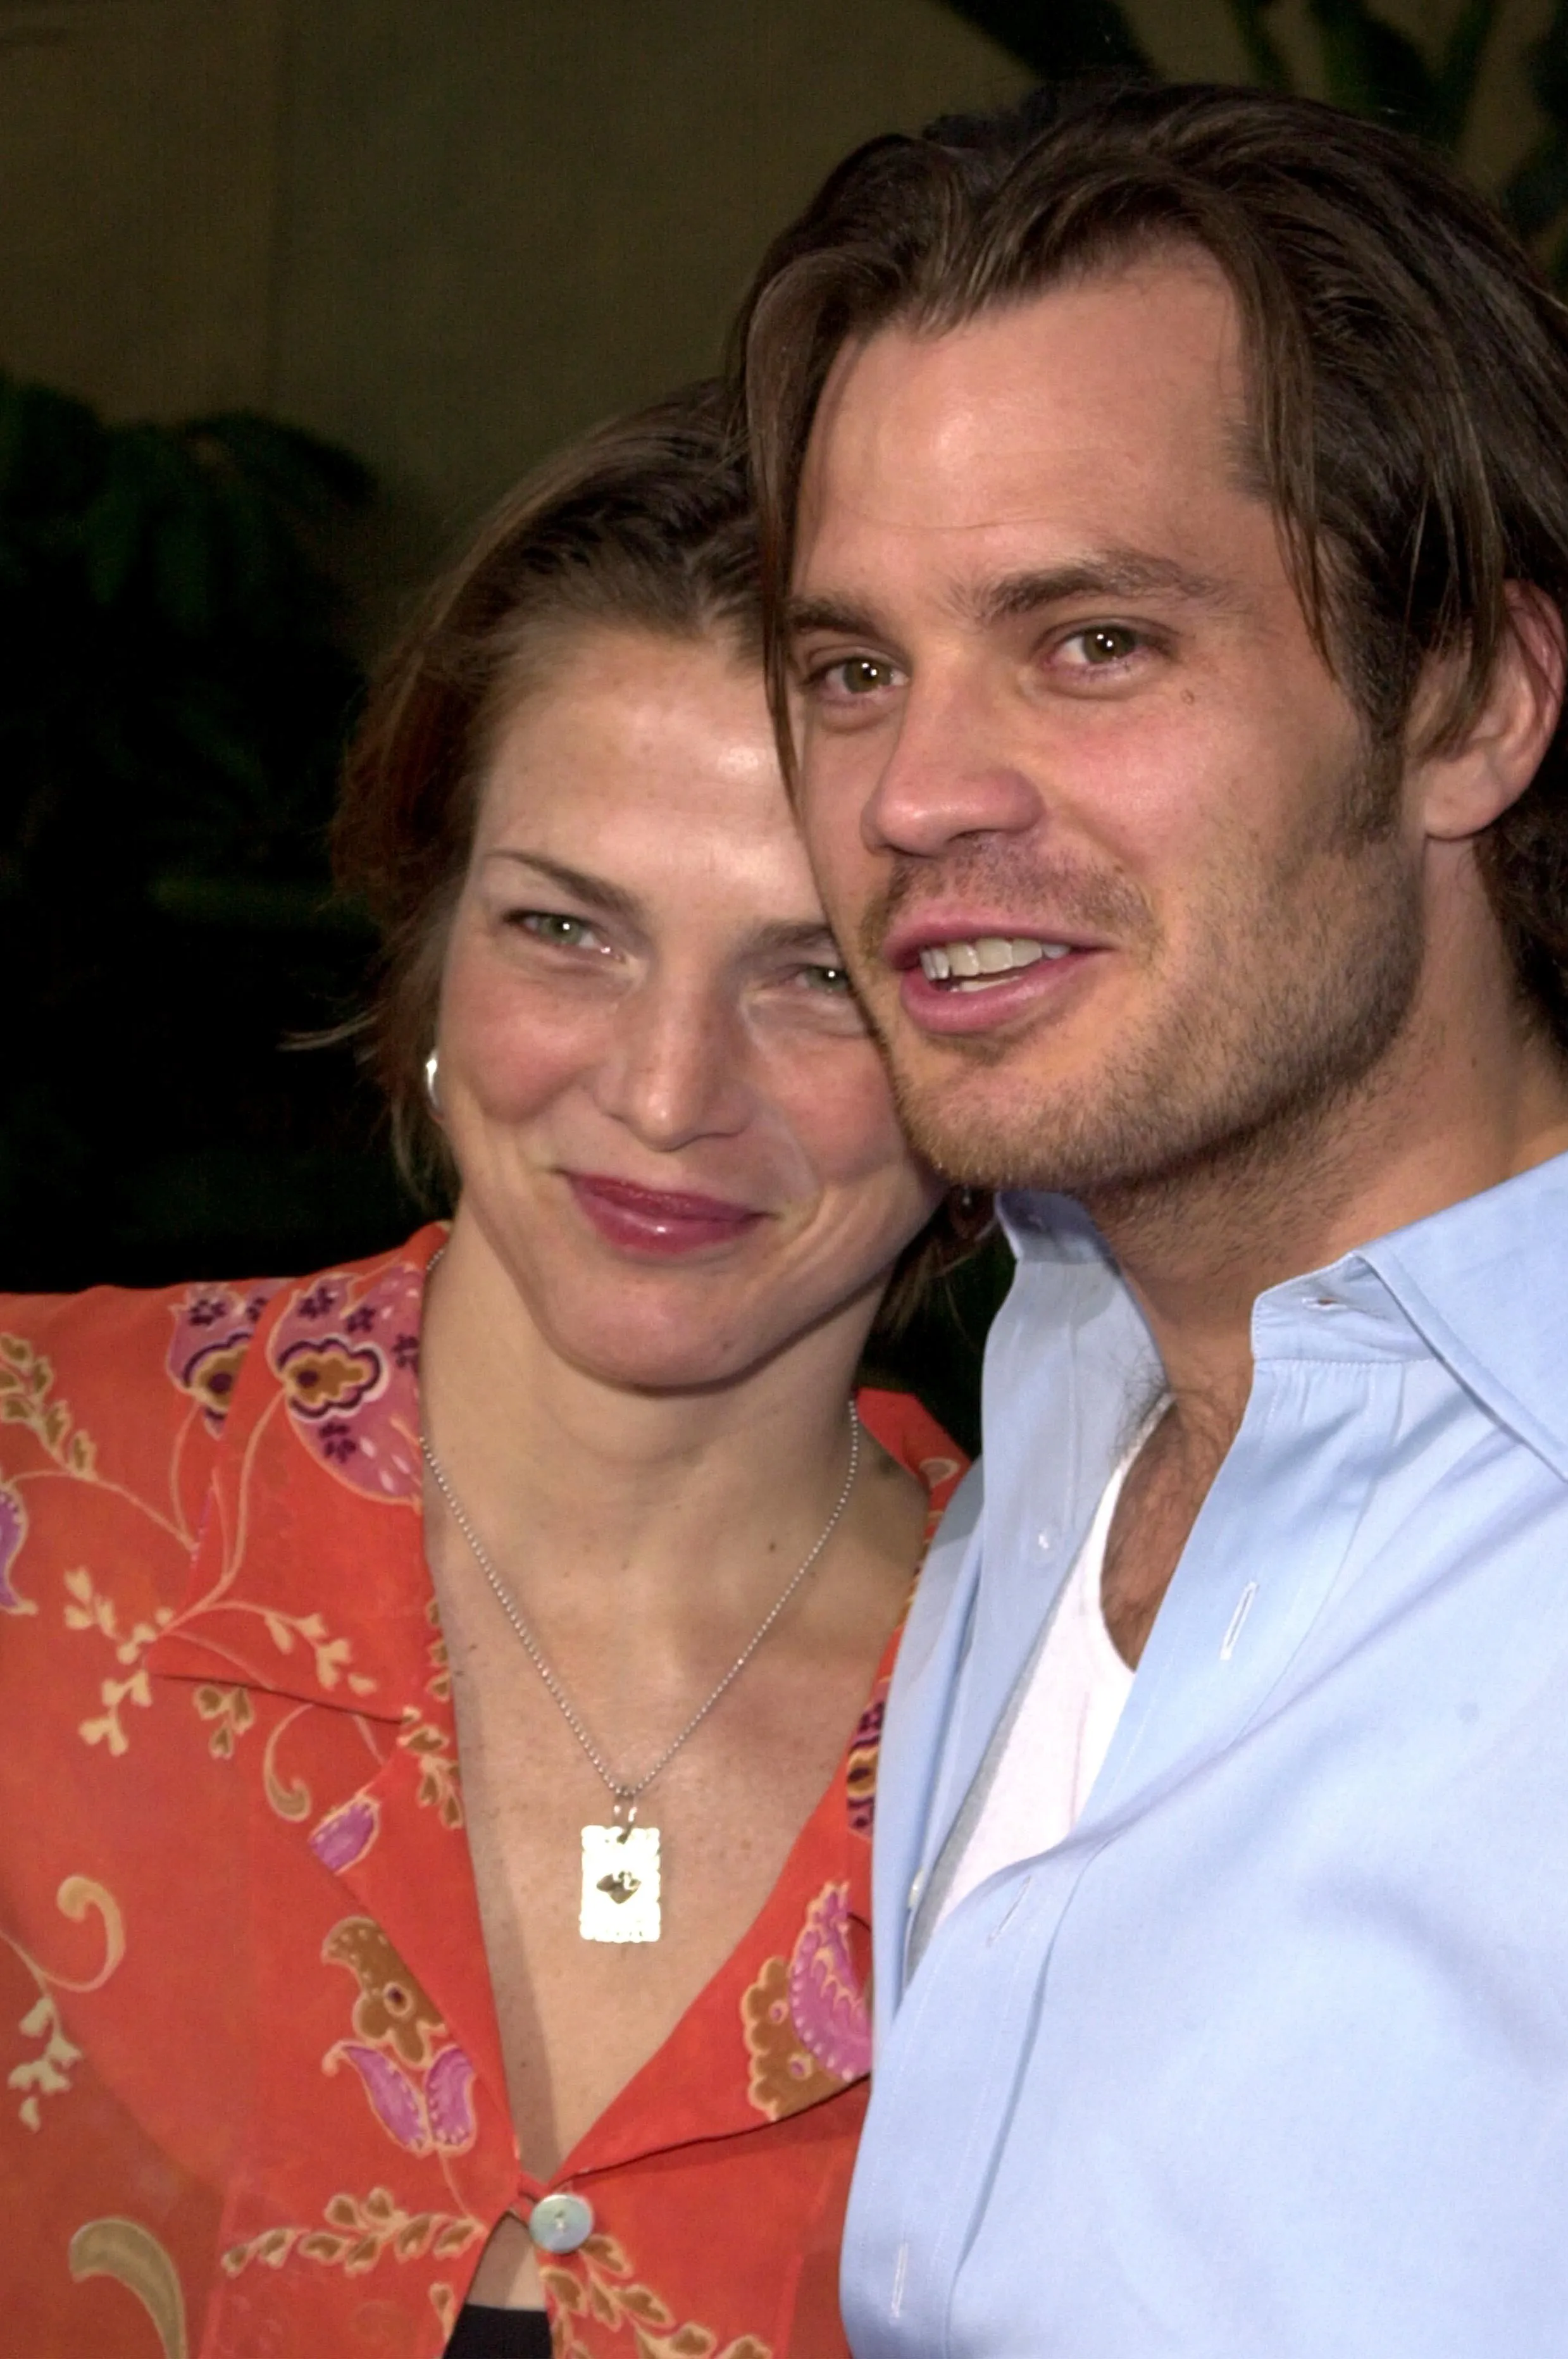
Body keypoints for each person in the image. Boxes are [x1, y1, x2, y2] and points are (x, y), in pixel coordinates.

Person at [733, 83, 1568, 2356]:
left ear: (1471, 705)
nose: (912, 796)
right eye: (853, 667)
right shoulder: (1059, 1398)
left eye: (1089, 642)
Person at [0, 385, 969, 2358]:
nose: (667, 1091)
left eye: (817, 975)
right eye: (567, 931)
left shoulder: (1085, 1735)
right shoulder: (39, 1502)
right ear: (428, 945)